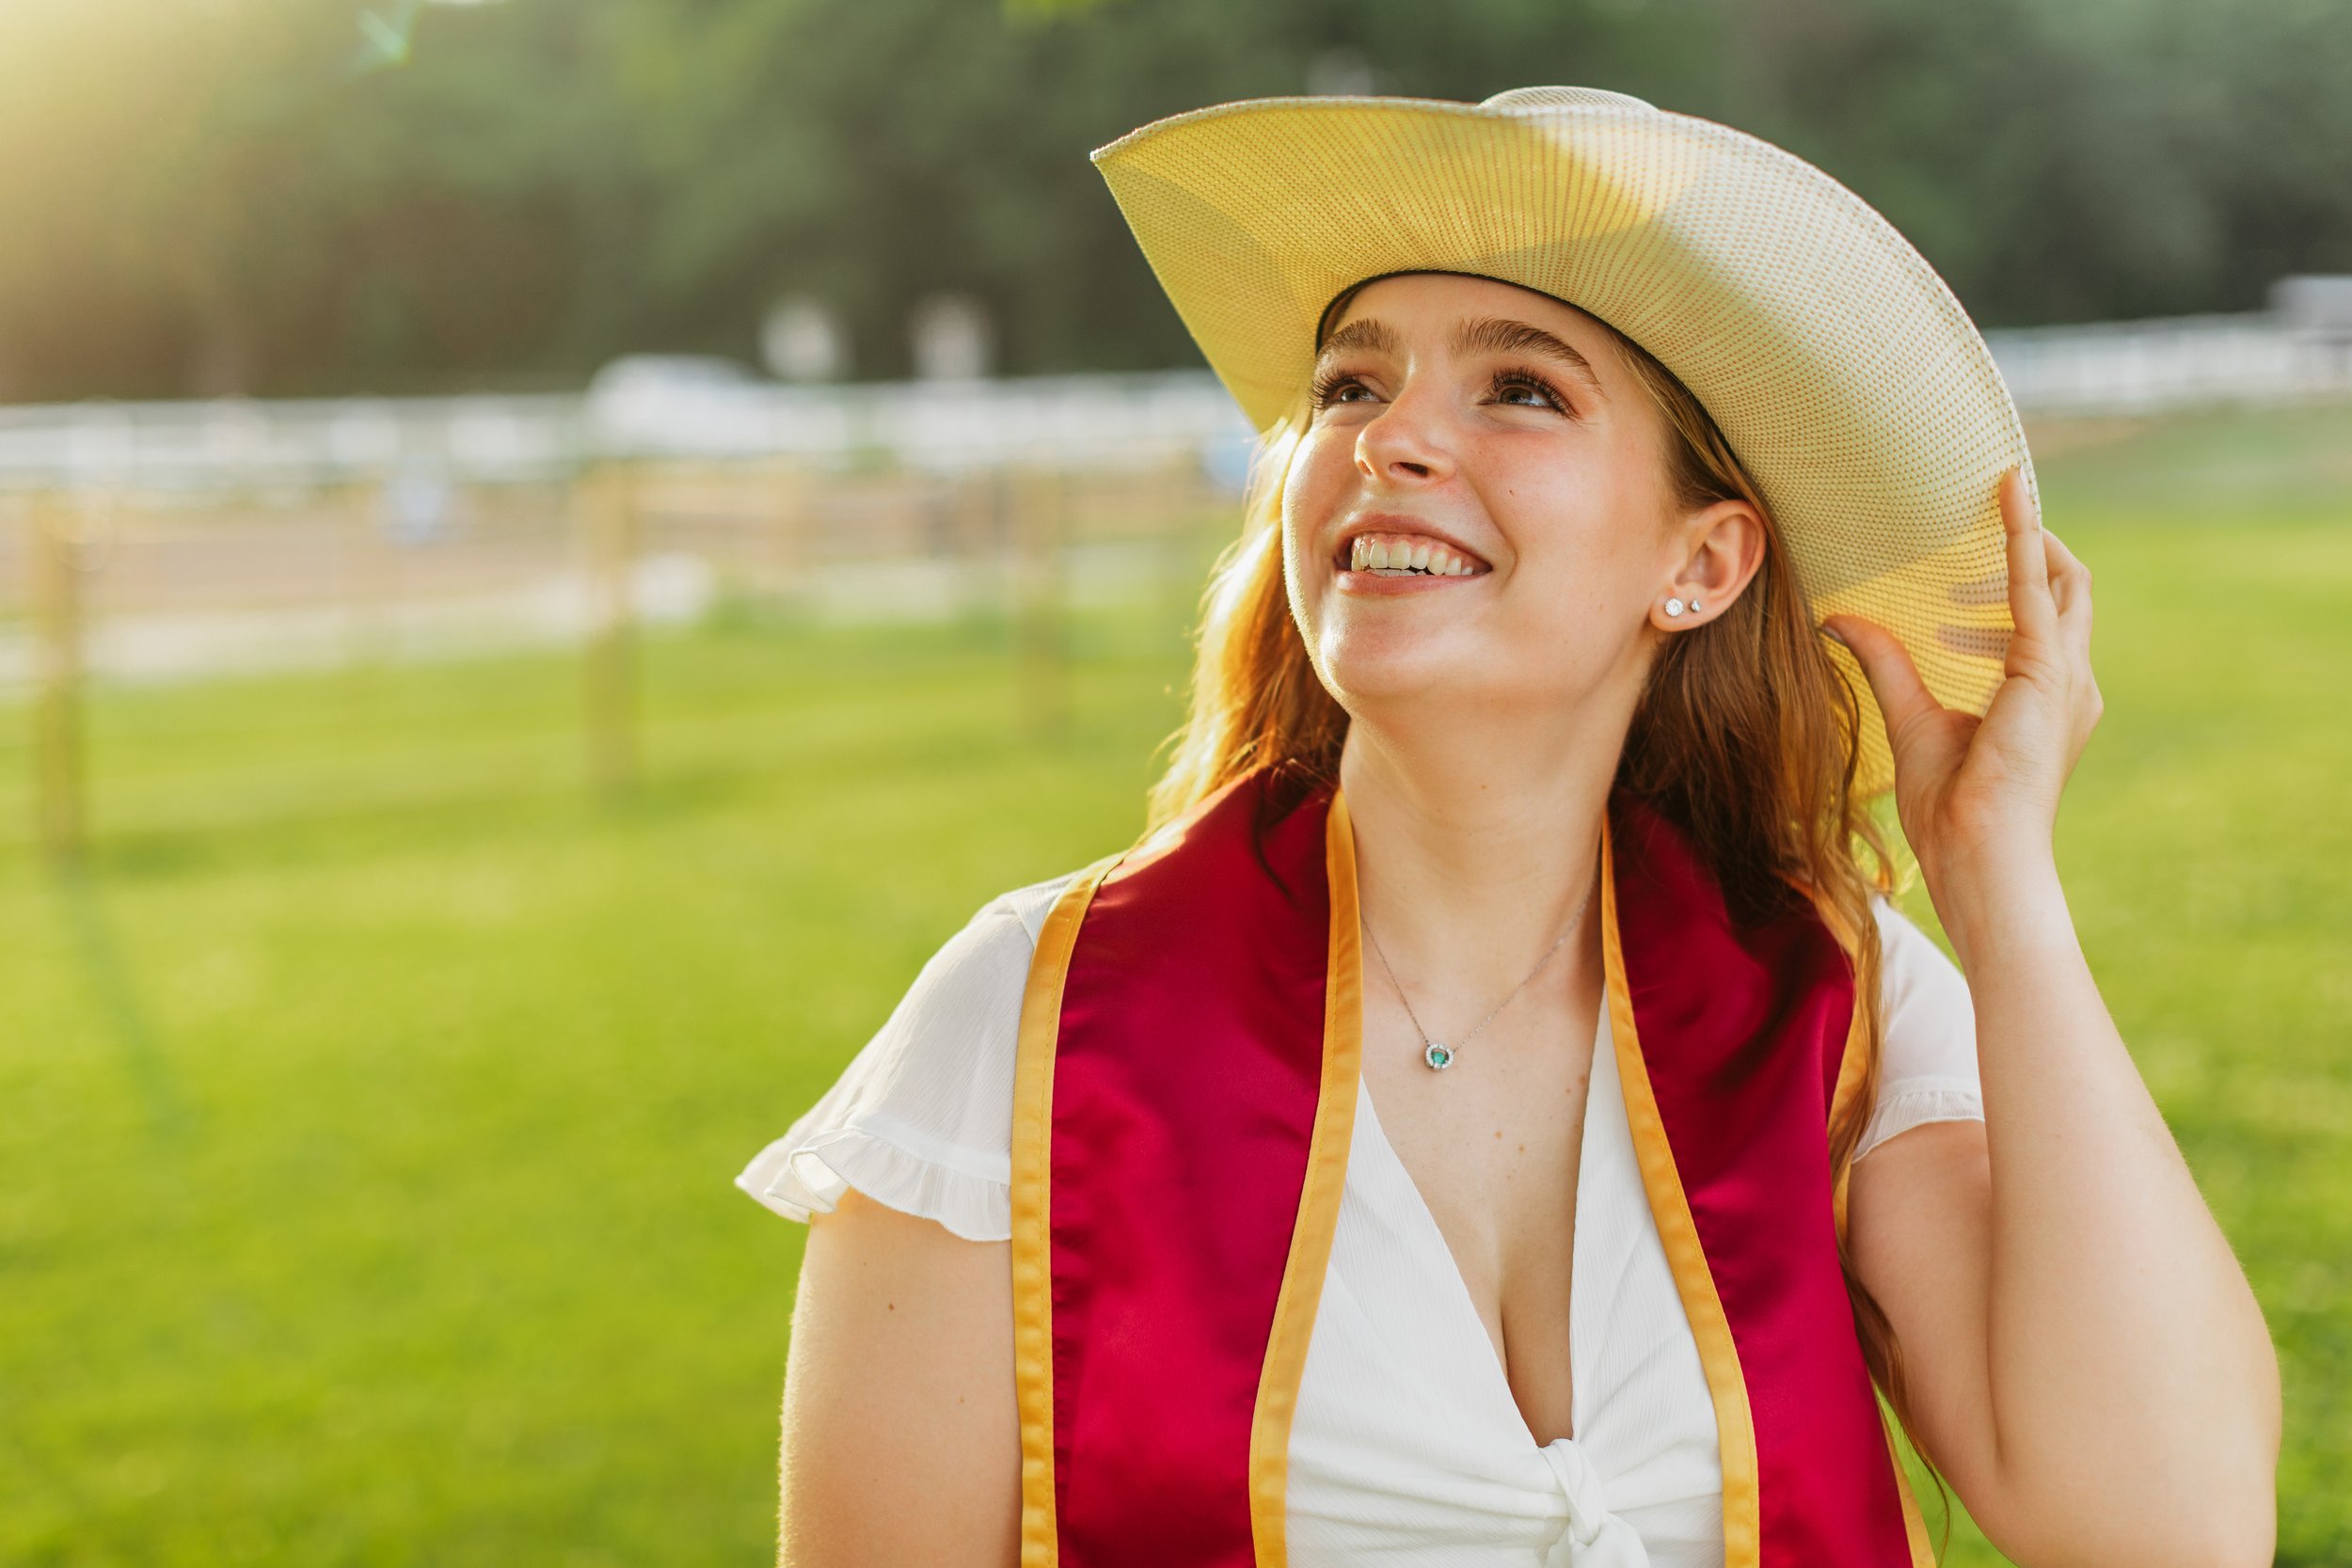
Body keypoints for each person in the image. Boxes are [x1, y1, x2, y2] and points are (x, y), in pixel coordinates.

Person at [737, 87, 2280, 1567]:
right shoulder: (1027, 1018)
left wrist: (1998, 886)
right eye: (1352, 382)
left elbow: (2169, 1526)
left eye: (1521, 387)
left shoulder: (1834, 1000)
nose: (1390, 438)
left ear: (1706, 562)